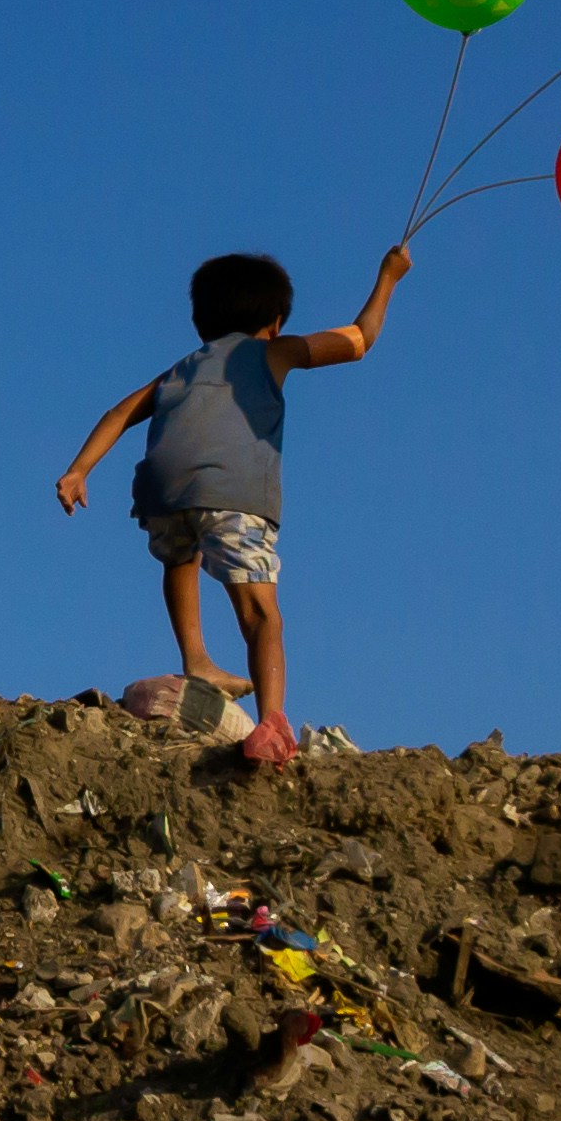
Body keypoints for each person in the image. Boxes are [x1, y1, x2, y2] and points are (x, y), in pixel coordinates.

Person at [52, 242, 408, 770]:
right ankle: (271, 722)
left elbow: (118, 412)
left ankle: (196, 660)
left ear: (201, 321)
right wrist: (389, 277)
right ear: (276, 321)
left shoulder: (178, 369)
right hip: (232, 493)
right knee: (261, 614)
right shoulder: (274, 352)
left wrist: (78, 469)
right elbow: (360, 339)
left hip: (162, 490)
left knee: (180, 557)